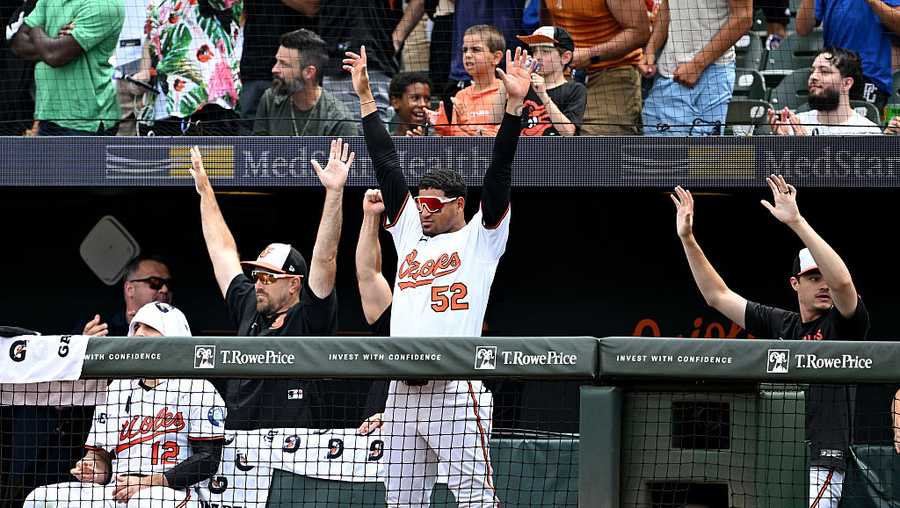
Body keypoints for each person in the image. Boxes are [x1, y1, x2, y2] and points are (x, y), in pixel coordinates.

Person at [343, 40, 533, 506]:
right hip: (402, 392)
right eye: (419, 202)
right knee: (401, 502)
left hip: (453, 387)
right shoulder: (410, 234)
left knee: (475, 500)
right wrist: (366, 96)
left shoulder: (480, 239)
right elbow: (387, 164)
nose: (422, 211)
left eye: (432, 204)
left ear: (457, 206)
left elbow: (499, 171)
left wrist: (512, 108)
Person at [672, 175, 869, 508]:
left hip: (824, 460)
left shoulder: (843, 324)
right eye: (813, 278)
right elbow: (717, 296)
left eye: (824, 277)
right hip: (775, 455)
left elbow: (844, 284)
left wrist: (797, 221)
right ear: (795, 283)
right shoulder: (782, 324)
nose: (823, 285)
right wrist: (688, 238)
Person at [188, 140, 350, 431]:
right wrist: (205, 192)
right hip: (241, 449)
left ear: (293, 285)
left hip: (298, 453)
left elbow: (326, 257)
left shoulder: (312, 318)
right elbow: (223, 251)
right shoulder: (251, 303)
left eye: (268, 277)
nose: (258, 285)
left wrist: (334, 192)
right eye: (257, 276)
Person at [24, 302, 227, 508]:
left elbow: (207, 459)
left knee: (145, 502)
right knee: (40, 498)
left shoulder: (197, 388)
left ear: (174, 337)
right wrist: (92, 467)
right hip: (118, 489)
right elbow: (99, 456)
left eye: (149, 327)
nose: (139, 333)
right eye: (136, 327)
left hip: (173, 491)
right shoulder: (116, 388)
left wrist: (148, 483)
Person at [9, 0, 123, 136]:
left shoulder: (105, 4)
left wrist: (36, 30)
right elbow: (18, 44)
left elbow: (54, 56)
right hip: (48, 113)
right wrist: (51, 45)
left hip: (85, 122)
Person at [641, 0, 753, 136]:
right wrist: (651, 49)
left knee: (699, 156)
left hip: (709, 79)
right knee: (654, 154)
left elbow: (744, 17)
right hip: (666, 75)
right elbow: (667, 6)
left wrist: (697, 65)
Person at [134, 0, 243, 136]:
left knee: (211, 157)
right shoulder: (157, 4)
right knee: (171, 157)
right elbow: (150, 40)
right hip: (165, 109)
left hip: (211, 106)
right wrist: (144, 71)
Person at [545, 0, 649, 135]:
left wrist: (590, 55)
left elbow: (640, 32)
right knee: (550, 141)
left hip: (611, 74)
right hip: (564, 75)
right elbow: (547, 24)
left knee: (598, 147)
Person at [796, 0, 900, 110]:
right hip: (832, 74)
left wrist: (873, 1)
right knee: (828, 125)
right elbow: (802, 29)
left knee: (862, 126)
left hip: (869, 74)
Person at [253, 29, 358, 137]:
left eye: (284, 64)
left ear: (309, 72)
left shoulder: (339, 121)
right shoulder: (270, 100)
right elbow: (257, 151)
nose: (274, 69)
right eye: (277, 61)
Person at [768, 48, 883, 135]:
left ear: (846, 83)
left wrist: (804, 147)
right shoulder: (794, 125)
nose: (813, 77)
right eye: (812, 71)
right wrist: (782, 144)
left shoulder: (868, 132)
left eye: (824, 72)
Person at [433, 24, 507, 137]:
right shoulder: (460, 95)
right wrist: (443, 129)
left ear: (496, 57)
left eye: (476, 49)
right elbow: (457, 138)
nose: (467, 55)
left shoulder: (505, 92)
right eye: (464, 49)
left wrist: (465, 122)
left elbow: (499, 138)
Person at [516, 26, 587, 136]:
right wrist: (513, 92)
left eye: (545, 51)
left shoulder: (575, 90)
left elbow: (569, 133)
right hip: (524, 151)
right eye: (535, 51)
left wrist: (543, 95)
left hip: (557, 151)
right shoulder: (524, 87)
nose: (537, 57)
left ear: (565, 57)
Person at [81, 255, 173, 338]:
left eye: (169, 284)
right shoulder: (101, 327)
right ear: (130, 289)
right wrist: (83, 346)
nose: (165, 289)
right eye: (155, 282)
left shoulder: (178, 328)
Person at [387, 71, 432, 136]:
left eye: (427, 99)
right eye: (415, 98)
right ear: (395, 102)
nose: (423, 104)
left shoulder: (440, 140)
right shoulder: (385, 143)